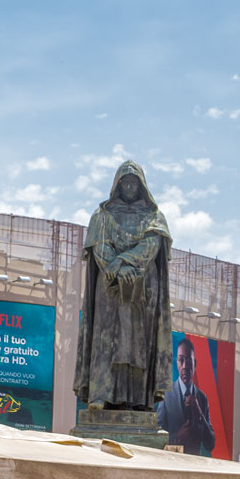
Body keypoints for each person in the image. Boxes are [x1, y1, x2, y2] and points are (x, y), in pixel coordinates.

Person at [75, 161, 173, 412]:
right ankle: (100, 394)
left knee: (139, 344)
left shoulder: (154, 217)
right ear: (117, 185)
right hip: (110, 286)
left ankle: (140, 399)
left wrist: (125, 261)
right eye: (125, 182)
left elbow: (152, 245)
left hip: (143, 288)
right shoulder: (102, 216)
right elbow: (99, 246)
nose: (129, 187)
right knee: (104, 341)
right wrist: (118, 267)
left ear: (142, 187)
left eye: (134, 183)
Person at [156, 336, 217, 457]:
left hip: (195, 466)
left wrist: (200, 413)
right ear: (177, 363)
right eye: (181, 360)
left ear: (195, 364)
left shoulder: (202, 398)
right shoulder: (166, 395)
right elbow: (157, 440)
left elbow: (210, 444)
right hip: (172, 462)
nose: (185, 366)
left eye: (189, 361)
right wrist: (177, 437)